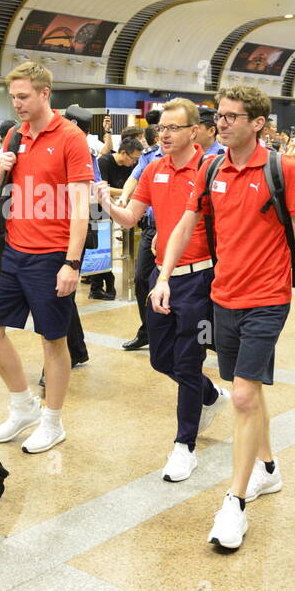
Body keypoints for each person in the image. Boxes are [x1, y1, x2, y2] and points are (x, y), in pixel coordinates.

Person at [151, 86, 295, 548]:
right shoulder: (211, 168)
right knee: (250, 393)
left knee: (243, 396)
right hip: (223, 296)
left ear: (258, 122)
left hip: (267, 298)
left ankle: (234, 503)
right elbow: (187, 223)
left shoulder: (280, 170)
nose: (220, 123)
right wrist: (163, 275)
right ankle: (268, 468)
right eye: (218, 116)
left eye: (230, 116)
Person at [98, 98, 230, 481]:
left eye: (173, 128)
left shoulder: (211, 168)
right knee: (160, 358)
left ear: (194, 131)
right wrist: (107, 202)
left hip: (199, 278)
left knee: (188, 362)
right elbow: (131, 217)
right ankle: (209, 394)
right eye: (161, 128)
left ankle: (183, 447)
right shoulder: (154, 167)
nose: (164, 134)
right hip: (162, 277)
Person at [0, 62, 92, 454]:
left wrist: (72, 263)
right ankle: (22, 404)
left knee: (53, 342)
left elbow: (81, 206)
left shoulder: (71, 138)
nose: (17, 103)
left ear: (45, 94)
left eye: (23, 96)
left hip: (51, 256)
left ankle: (52, 421)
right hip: (12, 252)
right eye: (13, 96)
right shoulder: (13, 135)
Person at [119, 115, 162, 351]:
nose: (165, 134)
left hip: (182, 230)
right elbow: (133, 179)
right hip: (151, 228)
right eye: (162, 129)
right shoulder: (150, 157)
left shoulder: (198, 158)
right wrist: (125, 199)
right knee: (141, 280)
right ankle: (147, 330)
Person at [90, 138, 143, 300]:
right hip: (96, 208)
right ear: (123, 153)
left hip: (115, 207)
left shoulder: (130, 166)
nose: (134, 162)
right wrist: (123, 193)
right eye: (133, 158)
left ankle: (104, 283)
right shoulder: (104, 162)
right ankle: (97, 286)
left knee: (107, 247)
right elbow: (103, 188)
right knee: (99, 247)